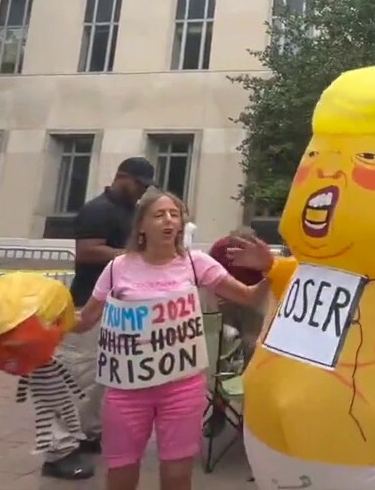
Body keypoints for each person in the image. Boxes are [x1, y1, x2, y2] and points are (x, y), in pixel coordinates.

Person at [73, 190, 274, 490]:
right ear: (141, 226)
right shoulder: (117, 268)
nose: (169, 220)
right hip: (127, 390)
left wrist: (269, 269)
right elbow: (85, 320)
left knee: (178, 477)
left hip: (181, 389)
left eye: (174, 214)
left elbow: (249, 297)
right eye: (159, 214)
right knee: (120, 475)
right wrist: (45, 319)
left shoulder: (196, 263)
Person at [40, 156, 155, 480]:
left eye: (146, 187)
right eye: (139, 184)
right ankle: (58, 451)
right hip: (87, 304)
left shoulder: (130, 211)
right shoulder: (98, 209)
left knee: (102, 378)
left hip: (117, 306)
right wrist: (132, 256)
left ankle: (89, 433)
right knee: (77, 377)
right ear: (122, 177)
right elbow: (87, 250)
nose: (141, 191)